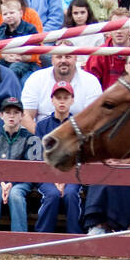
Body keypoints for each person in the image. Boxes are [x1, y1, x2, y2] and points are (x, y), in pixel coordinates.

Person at [32, 82, 84, 233]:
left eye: (66, 97)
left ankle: (75, 238)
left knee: (71, 194)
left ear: (72, 100)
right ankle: (43, 237)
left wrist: (65, 179)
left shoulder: (79, 126)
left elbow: (79, 156)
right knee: (52, 195)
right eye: (58, 97)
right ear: (52, 100)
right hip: (46, 176)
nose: (62, 101)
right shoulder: (42, 126)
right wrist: (54, 179)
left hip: (73, 175)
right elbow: (39, 156)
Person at [0, 97, 42, 231]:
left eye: (16, 112)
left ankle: (19, 240)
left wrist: (11, 183)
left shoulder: (32, 138)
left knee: (15, 194)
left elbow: (33, 168)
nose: (11, 116)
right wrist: (1, 181)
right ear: (1, 115)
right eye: (8, 112)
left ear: (22, 116)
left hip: (22, 181)